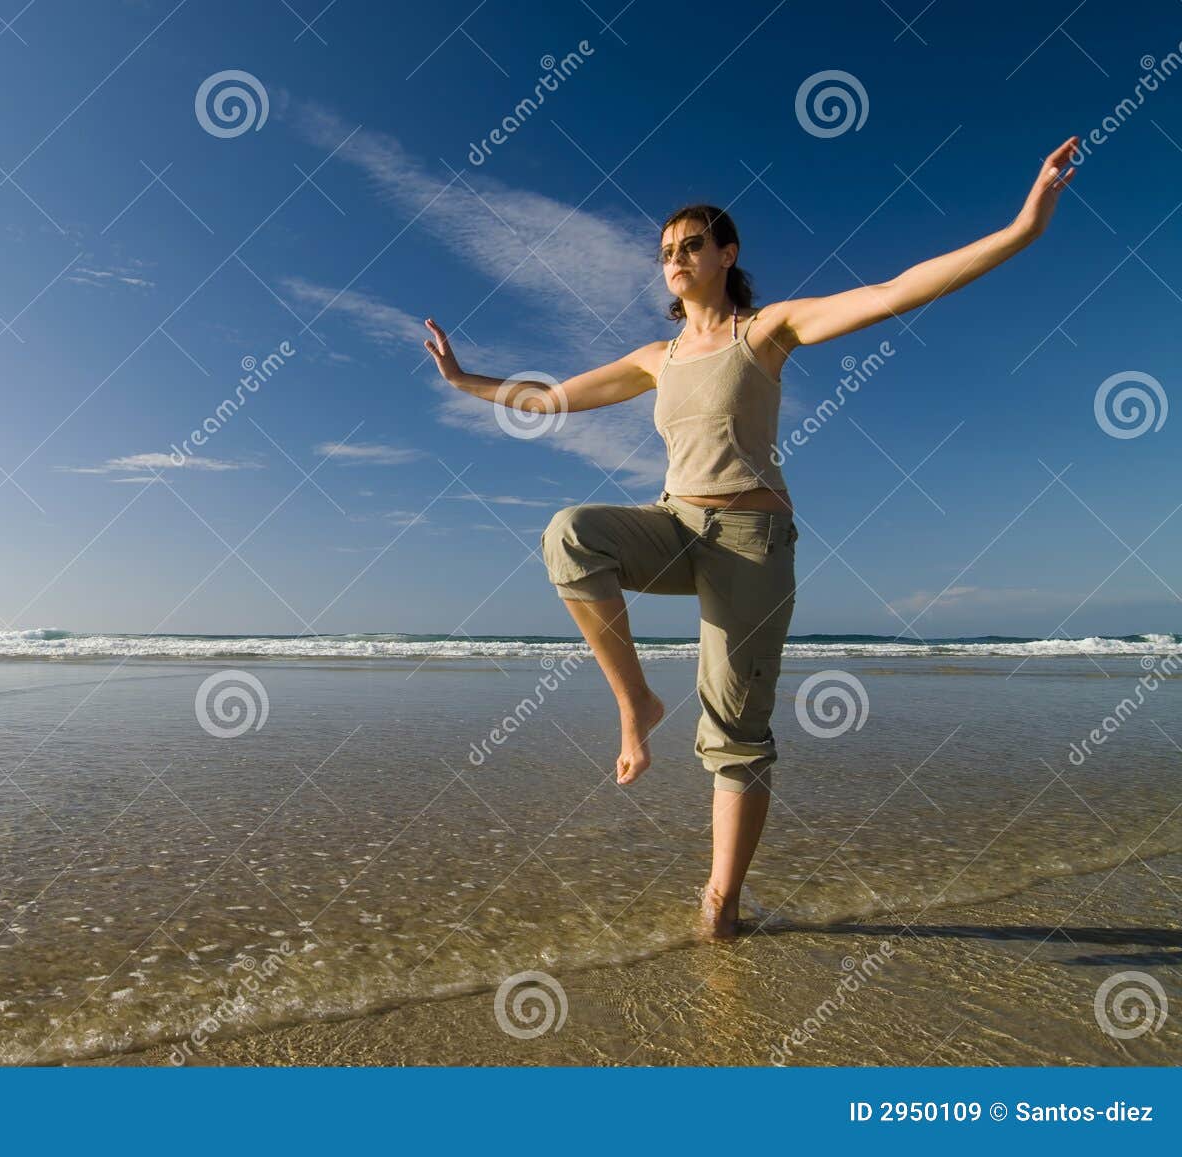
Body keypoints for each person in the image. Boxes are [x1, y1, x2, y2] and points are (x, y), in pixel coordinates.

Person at [422, 135, 1077, 940]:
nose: (676, 258)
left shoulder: (766, 329)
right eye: (666, 250)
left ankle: (720, 905)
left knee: (735, 735)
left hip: (750, 539)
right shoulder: (656, 358)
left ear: (727, 253)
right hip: (672, 524)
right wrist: (466, 380)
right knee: (571, 535)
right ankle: (638, 705)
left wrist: (1023, 227)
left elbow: (896, 289)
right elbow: (552, 398)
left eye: (691, 244)